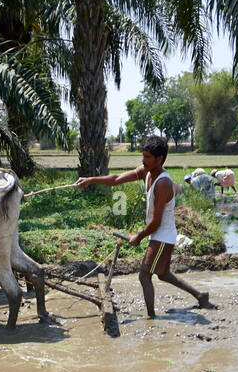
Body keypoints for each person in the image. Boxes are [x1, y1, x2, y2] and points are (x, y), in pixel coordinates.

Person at [77, 135, 215, 317]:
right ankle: (200, 295)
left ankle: (151, 317)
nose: (143, 160)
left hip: (162, 236)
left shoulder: (163, 183)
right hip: (158, 234)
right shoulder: (146, 171)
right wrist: (91, 179)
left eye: (148, 157)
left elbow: (156, 223)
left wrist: (138, 236)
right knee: (163, 274)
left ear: (160, 159)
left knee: (144, 275)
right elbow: (117, 178)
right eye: (143, 156)